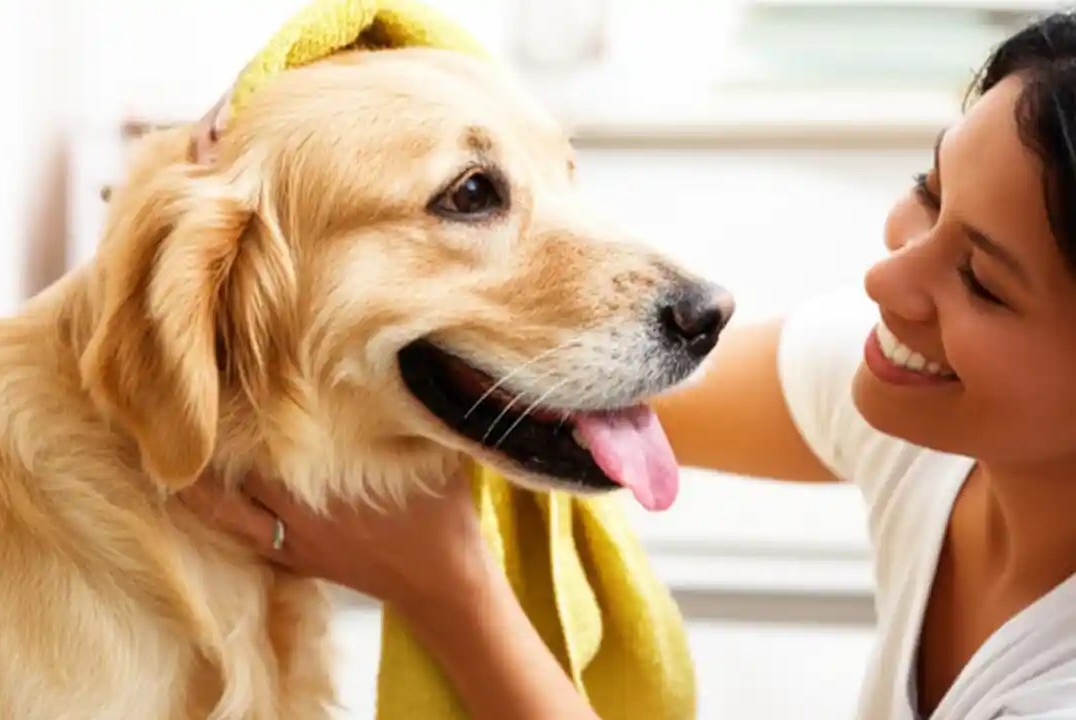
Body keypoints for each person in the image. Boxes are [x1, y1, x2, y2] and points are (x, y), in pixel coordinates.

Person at [180, 11, 1076, 720]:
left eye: (981, 282)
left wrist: (452, 592)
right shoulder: (912, 394)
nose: (886, 276)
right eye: (930, 193)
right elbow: (564, 395)